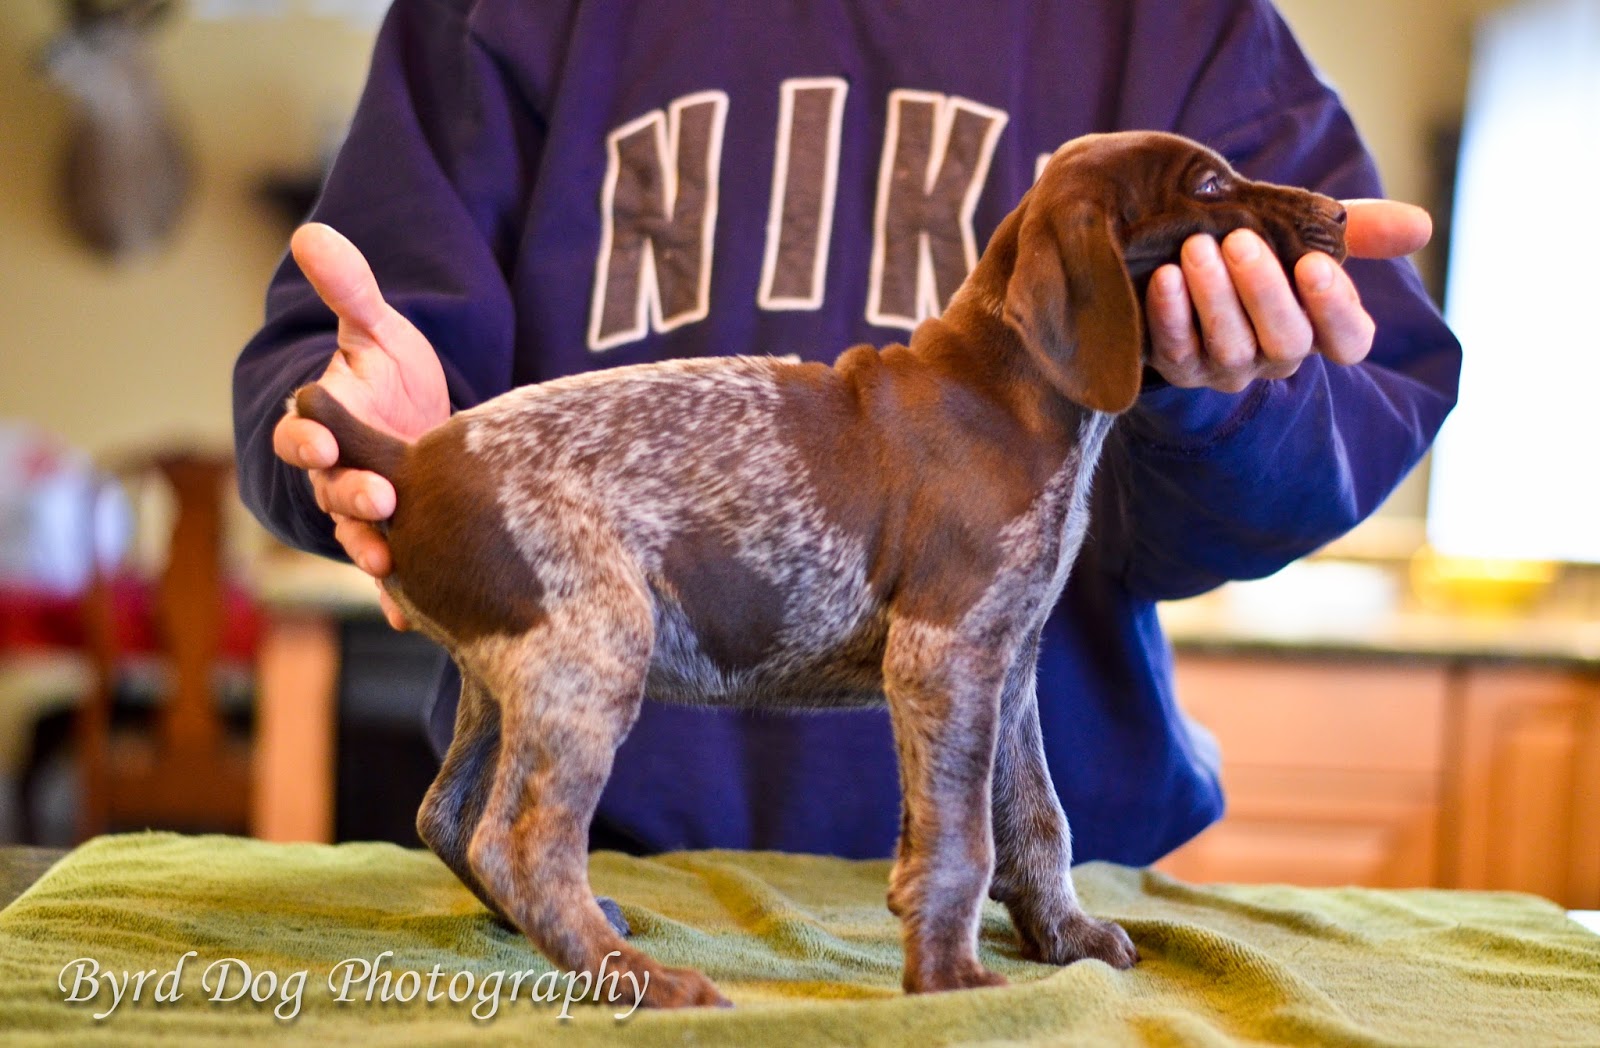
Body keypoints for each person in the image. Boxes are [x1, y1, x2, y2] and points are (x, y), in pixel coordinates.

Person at [234, 0, 1459, 865]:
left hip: (1043, 898)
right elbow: (330, 356)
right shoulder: (499, 12)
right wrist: (359, 438)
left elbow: (1367, 390)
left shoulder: (1180, 24)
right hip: (596, 860)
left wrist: (1209, 386)